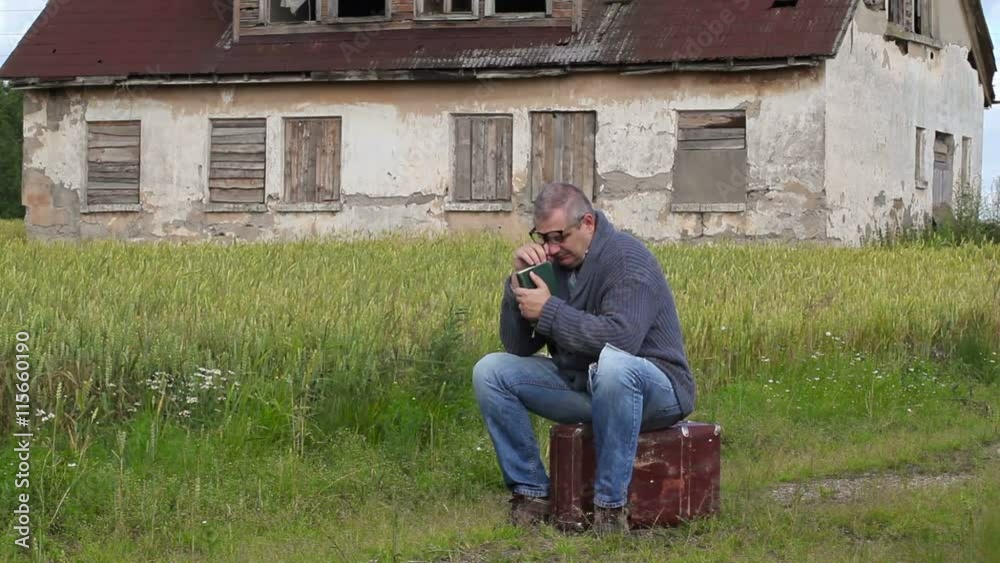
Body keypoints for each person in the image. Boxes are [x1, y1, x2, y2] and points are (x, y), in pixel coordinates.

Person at [472, 182, 696, 534]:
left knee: (614, 366)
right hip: (587, 386)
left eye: (559, 236)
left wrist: (549, 311)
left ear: (588, 223)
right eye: (543, 237)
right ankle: (531, 494)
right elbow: (518, 346)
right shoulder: (553, 264)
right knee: (491, 371)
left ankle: (610, 511)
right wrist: (518, 282)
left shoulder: (626, 259)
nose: (551, 247)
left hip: (657, 390)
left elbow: (621, 339)